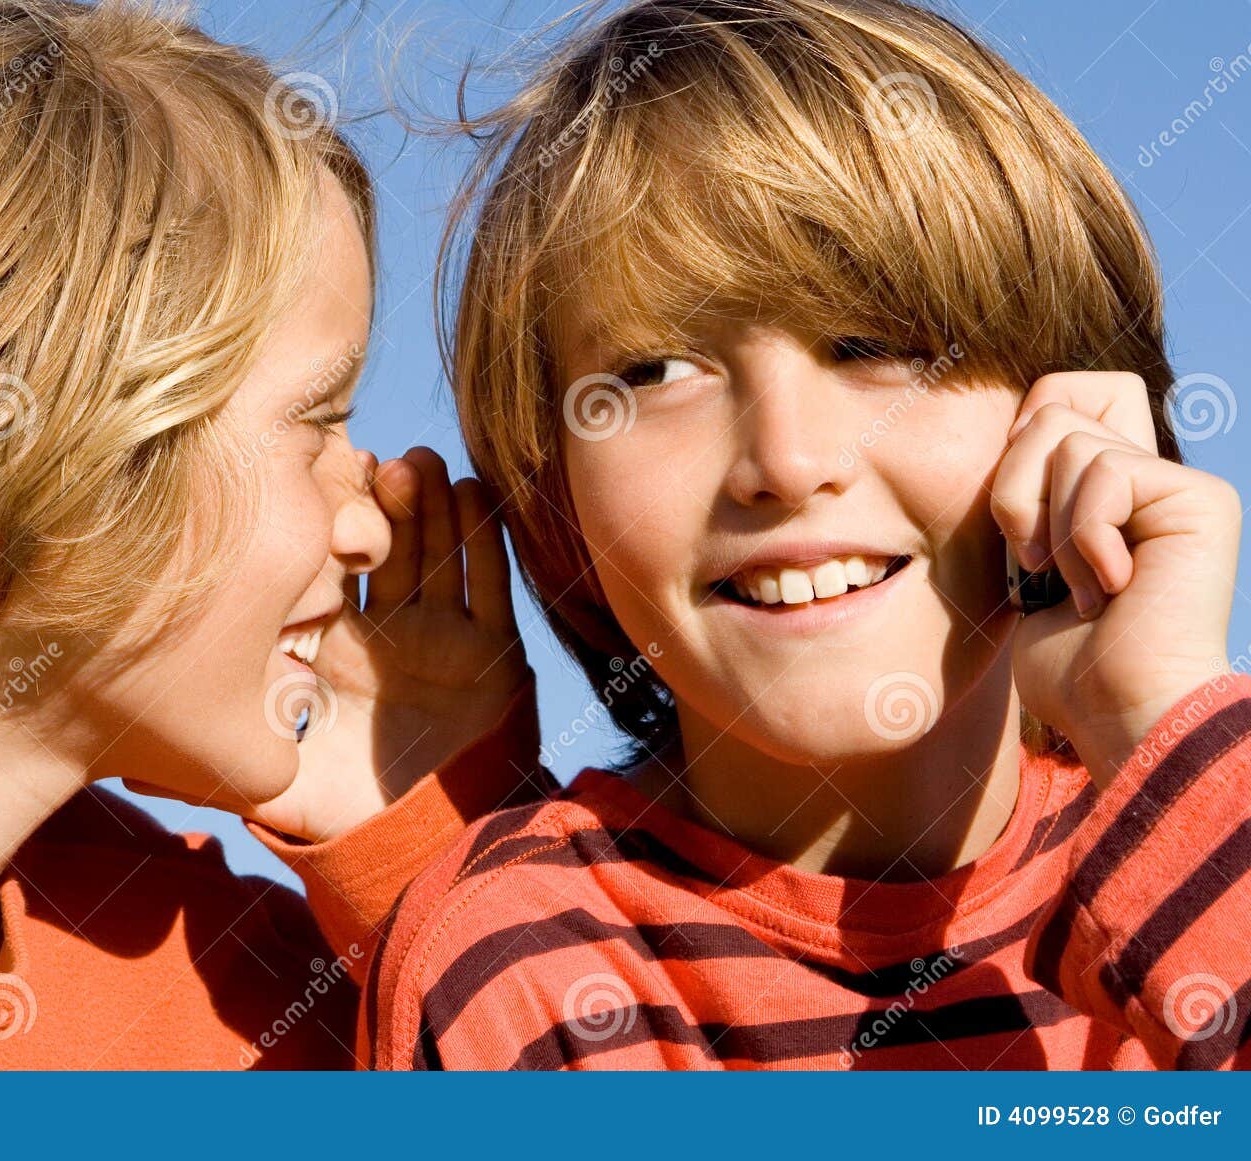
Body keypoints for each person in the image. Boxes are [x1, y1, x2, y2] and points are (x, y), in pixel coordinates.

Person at [0, 0, 538, 1069]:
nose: (368, 526)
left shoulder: (239, 1006)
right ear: (38, 449)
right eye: (316, 422)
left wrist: (423, 854)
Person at [366, 0, 1250, 1069]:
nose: (784, 460)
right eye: (652, 373)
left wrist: (1152, 720)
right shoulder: (527, 966)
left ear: (1072, 407)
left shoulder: (1217, 843)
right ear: (557, 506)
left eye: (874, 341)